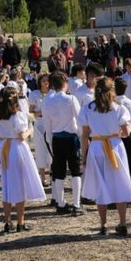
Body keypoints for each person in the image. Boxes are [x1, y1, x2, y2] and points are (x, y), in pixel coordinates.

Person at [79, 78, 131, 236]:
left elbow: (84, 136)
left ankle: (103, 225)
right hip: (115, 146)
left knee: (100, 186)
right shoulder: (118, 108)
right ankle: (123, 223)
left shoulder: (87, 108)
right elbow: (126, 133)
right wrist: (115, 132)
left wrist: (84, 156)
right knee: (119, 183)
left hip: (96, 147)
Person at [0, 86, 46, 232]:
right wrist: (31, 128)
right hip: (17, 148)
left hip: (5, 148)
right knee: (20, 185)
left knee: (7, 185)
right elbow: (22, 135)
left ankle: (7, 221)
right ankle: (20, 222)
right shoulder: (17, 116)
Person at [42, 71, 84, 216]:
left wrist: (50, 140)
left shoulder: (46, 101)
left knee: (58, 172)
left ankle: (60, 203)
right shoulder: (71, 99)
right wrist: (81, 137)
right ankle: (77, 204)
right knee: (75, 171)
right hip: (71, 138)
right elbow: (80, 120)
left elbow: (47, 125)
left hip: (56, 139)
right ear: (65, 83)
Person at [113, 78, 131, 185]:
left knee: (117, 164)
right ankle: (130, 188)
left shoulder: (110, 105)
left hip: (115, 137)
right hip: (130, 136)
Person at [28, 74, 52, 187]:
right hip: (39, 124)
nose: (46, 83)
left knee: (52, 151)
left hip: (52, 124)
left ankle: (53, 176)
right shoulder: (34, 94)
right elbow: (31, 112)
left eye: (48, 81)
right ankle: (43, 178)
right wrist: (41, 112)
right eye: (44, 81)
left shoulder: (53, 93)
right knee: (41, 150)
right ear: (40, 82)